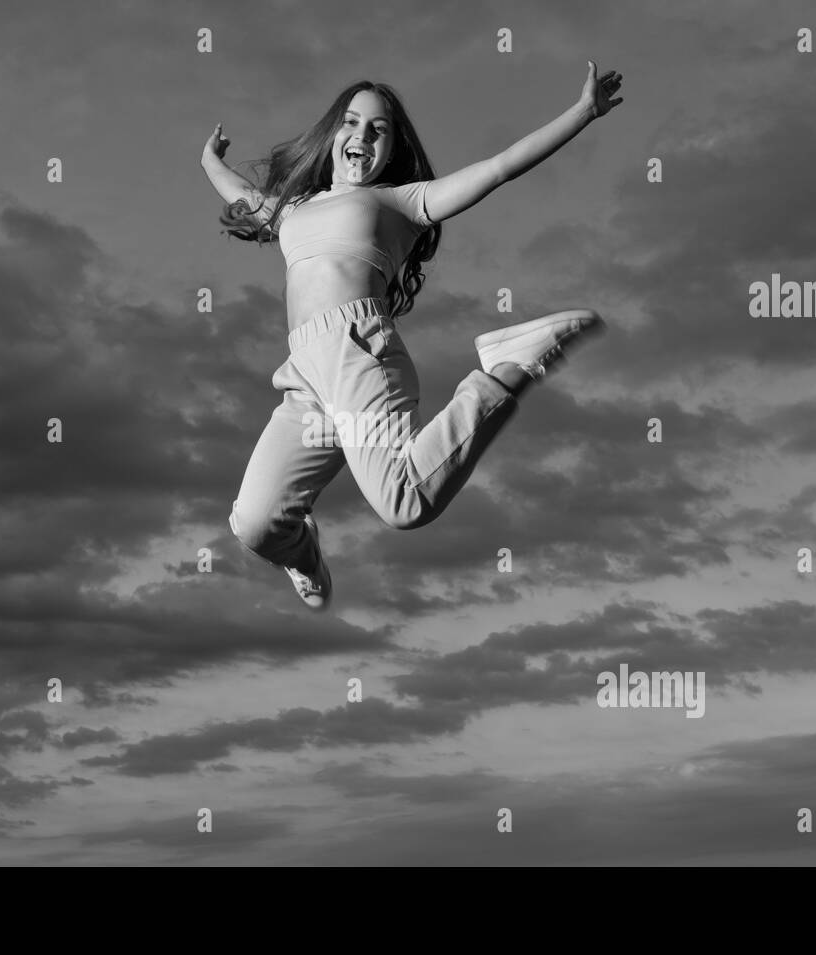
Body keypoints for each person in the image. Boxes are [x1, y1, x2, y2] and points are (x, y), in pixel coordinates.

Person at [202, 61, 624, 610]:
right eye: (351, 123)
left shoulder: (400, 203)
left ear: (392, 148)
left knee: (405, 503)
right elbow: (237, 191)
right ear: (332, 136)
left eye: (378, 129)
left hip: (359, 353)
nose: (362, 136)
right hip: (306, 378)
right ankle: (305, 555)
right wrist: (209, 158)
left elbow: (497, 168)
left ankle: (509, 368)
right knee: (255, 525)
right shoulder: (292, 210)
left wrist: (581, 113)